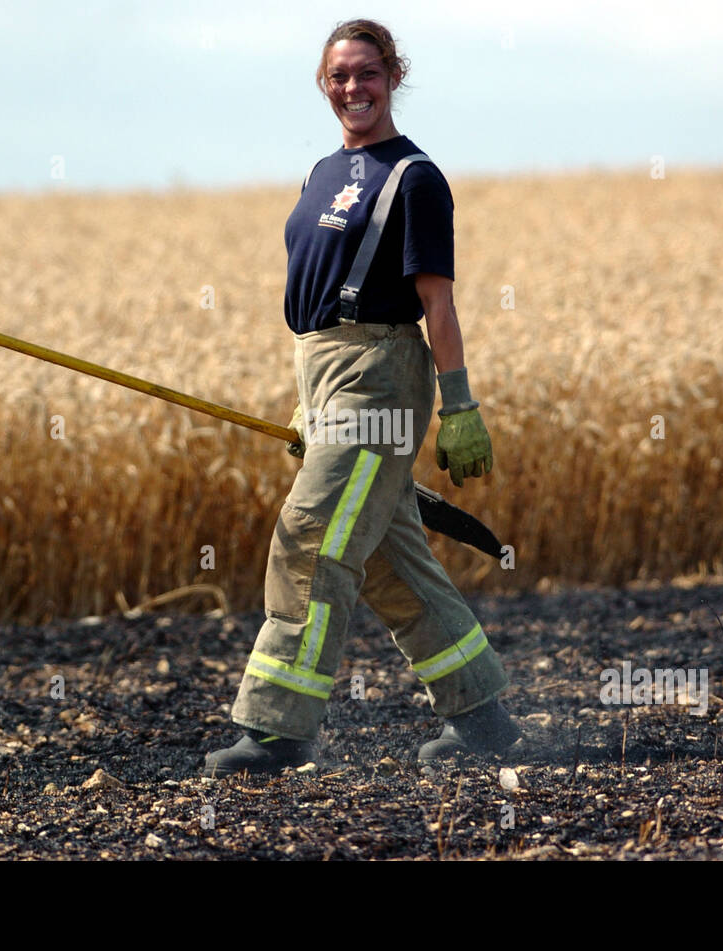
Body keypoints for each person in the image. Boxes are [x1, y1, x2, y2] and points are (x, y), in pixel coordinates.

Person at [203, 19, 519, 777]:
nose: (354, 88)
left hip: (381, 375)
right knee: (384, 558)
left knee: (311, 539)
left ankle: (279, 730)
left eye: (368, 74)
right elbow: (316, 309)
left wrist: (461, 405)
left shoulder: (414, 178)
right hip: (325, 373)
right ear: (324, 83)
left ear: (393, 77)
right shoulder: (318, 174)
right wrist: (305, 407)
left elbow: (435, 305)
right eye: (340, 76)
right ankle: (483, 717)